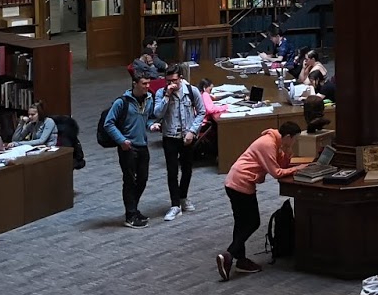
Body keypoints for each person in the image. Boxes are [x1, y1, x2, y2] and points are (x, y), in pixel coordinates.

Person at [217, 120, 299, 280]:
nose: (295, 142)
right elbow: (276, 172)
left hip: (236, 182)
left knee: (241, 223)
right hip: (240, 184)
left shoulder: (276, 142)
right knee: (252, 222)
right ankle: (229, 255)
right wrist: (298, 169)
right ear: (288, 136)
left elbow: (282, 164)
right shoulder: (268, 144)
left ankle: (240, 261)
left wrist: (288, 151)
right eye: (294, 139)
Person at [150, 66, 206, 221]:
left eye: (174, 80)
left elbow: (201, 111)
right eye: (168, 81)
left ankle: (183, 197)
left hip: (187, 136)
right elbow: (157, 113)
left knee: (187, 169)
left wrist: (192, 131)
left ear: (181, 78)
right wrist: (167, 96)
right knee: (172, 171)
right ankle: (175, 205)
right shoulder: (161, 93)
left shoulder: (192, 91)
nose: (171, 84)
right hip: (170, 136)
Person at [103, 72, 155, 228]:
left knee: (143, 179)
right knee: (129, 181)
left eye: (148, 83)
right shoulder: (122, 102)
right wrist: (121, 140)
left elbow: (148, 118)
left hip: (142, 145)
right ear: (134, 84)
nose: (147, 86)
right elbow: (108, 123)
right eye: (144, 83)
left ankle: (133, 208)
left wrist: (151, 125)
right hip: (128, 148)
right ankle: (130, 215)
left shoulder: (149, 99)